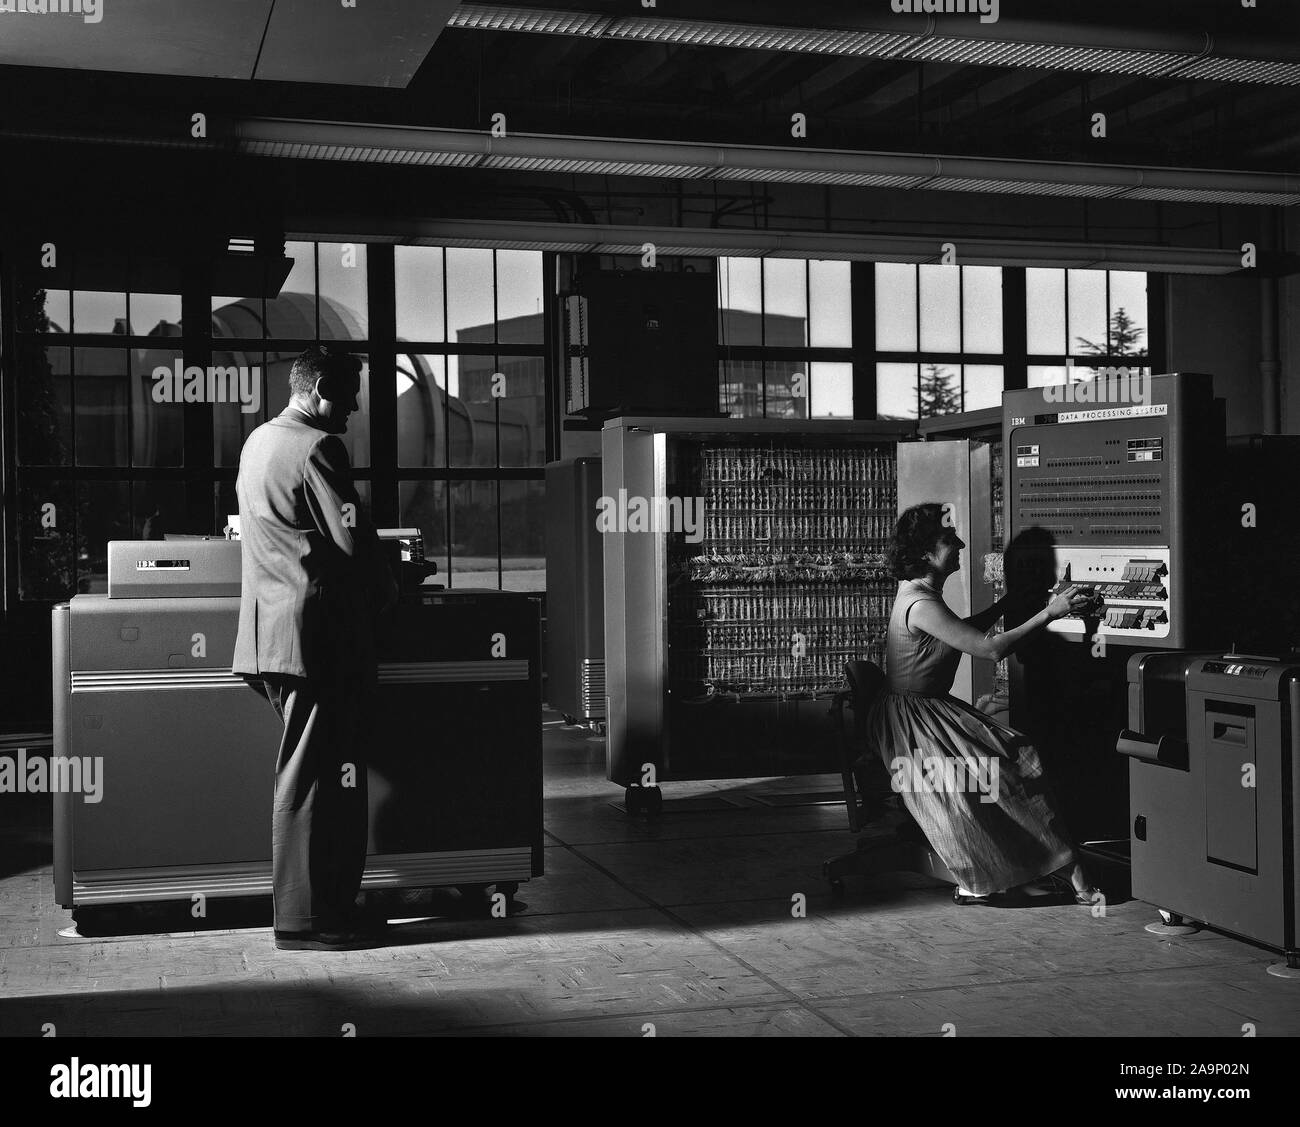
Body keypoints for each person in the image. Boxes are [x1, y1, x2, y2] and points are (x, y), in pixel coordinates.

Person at [232, 346, 397, 950]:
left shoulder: (259, 441)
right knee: (311, 780)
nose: (354, 405)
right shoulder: (317, 447)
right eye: (350, 391)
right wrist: (389, 582)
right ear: (322, 385)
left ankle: (327, 908)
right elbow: (350, 541)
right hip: (315, 641)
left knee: (320, 774)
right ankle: (307, 920)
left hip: (270, 639)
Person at [867, 502, 1101, 907]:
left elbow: (957, 632)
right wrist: (1051, 611)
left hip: (918, 712)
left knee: (1008, 758)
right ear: (925, 552)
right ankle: (1058, 868)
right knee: (1013, 760)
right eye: (948, 539)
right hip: (916, 724)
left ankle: (1022, 866)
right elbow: (990, 650)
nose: (958, 544)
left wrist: (1009, 604)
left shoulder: (919, 594)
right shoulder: (921, 604)